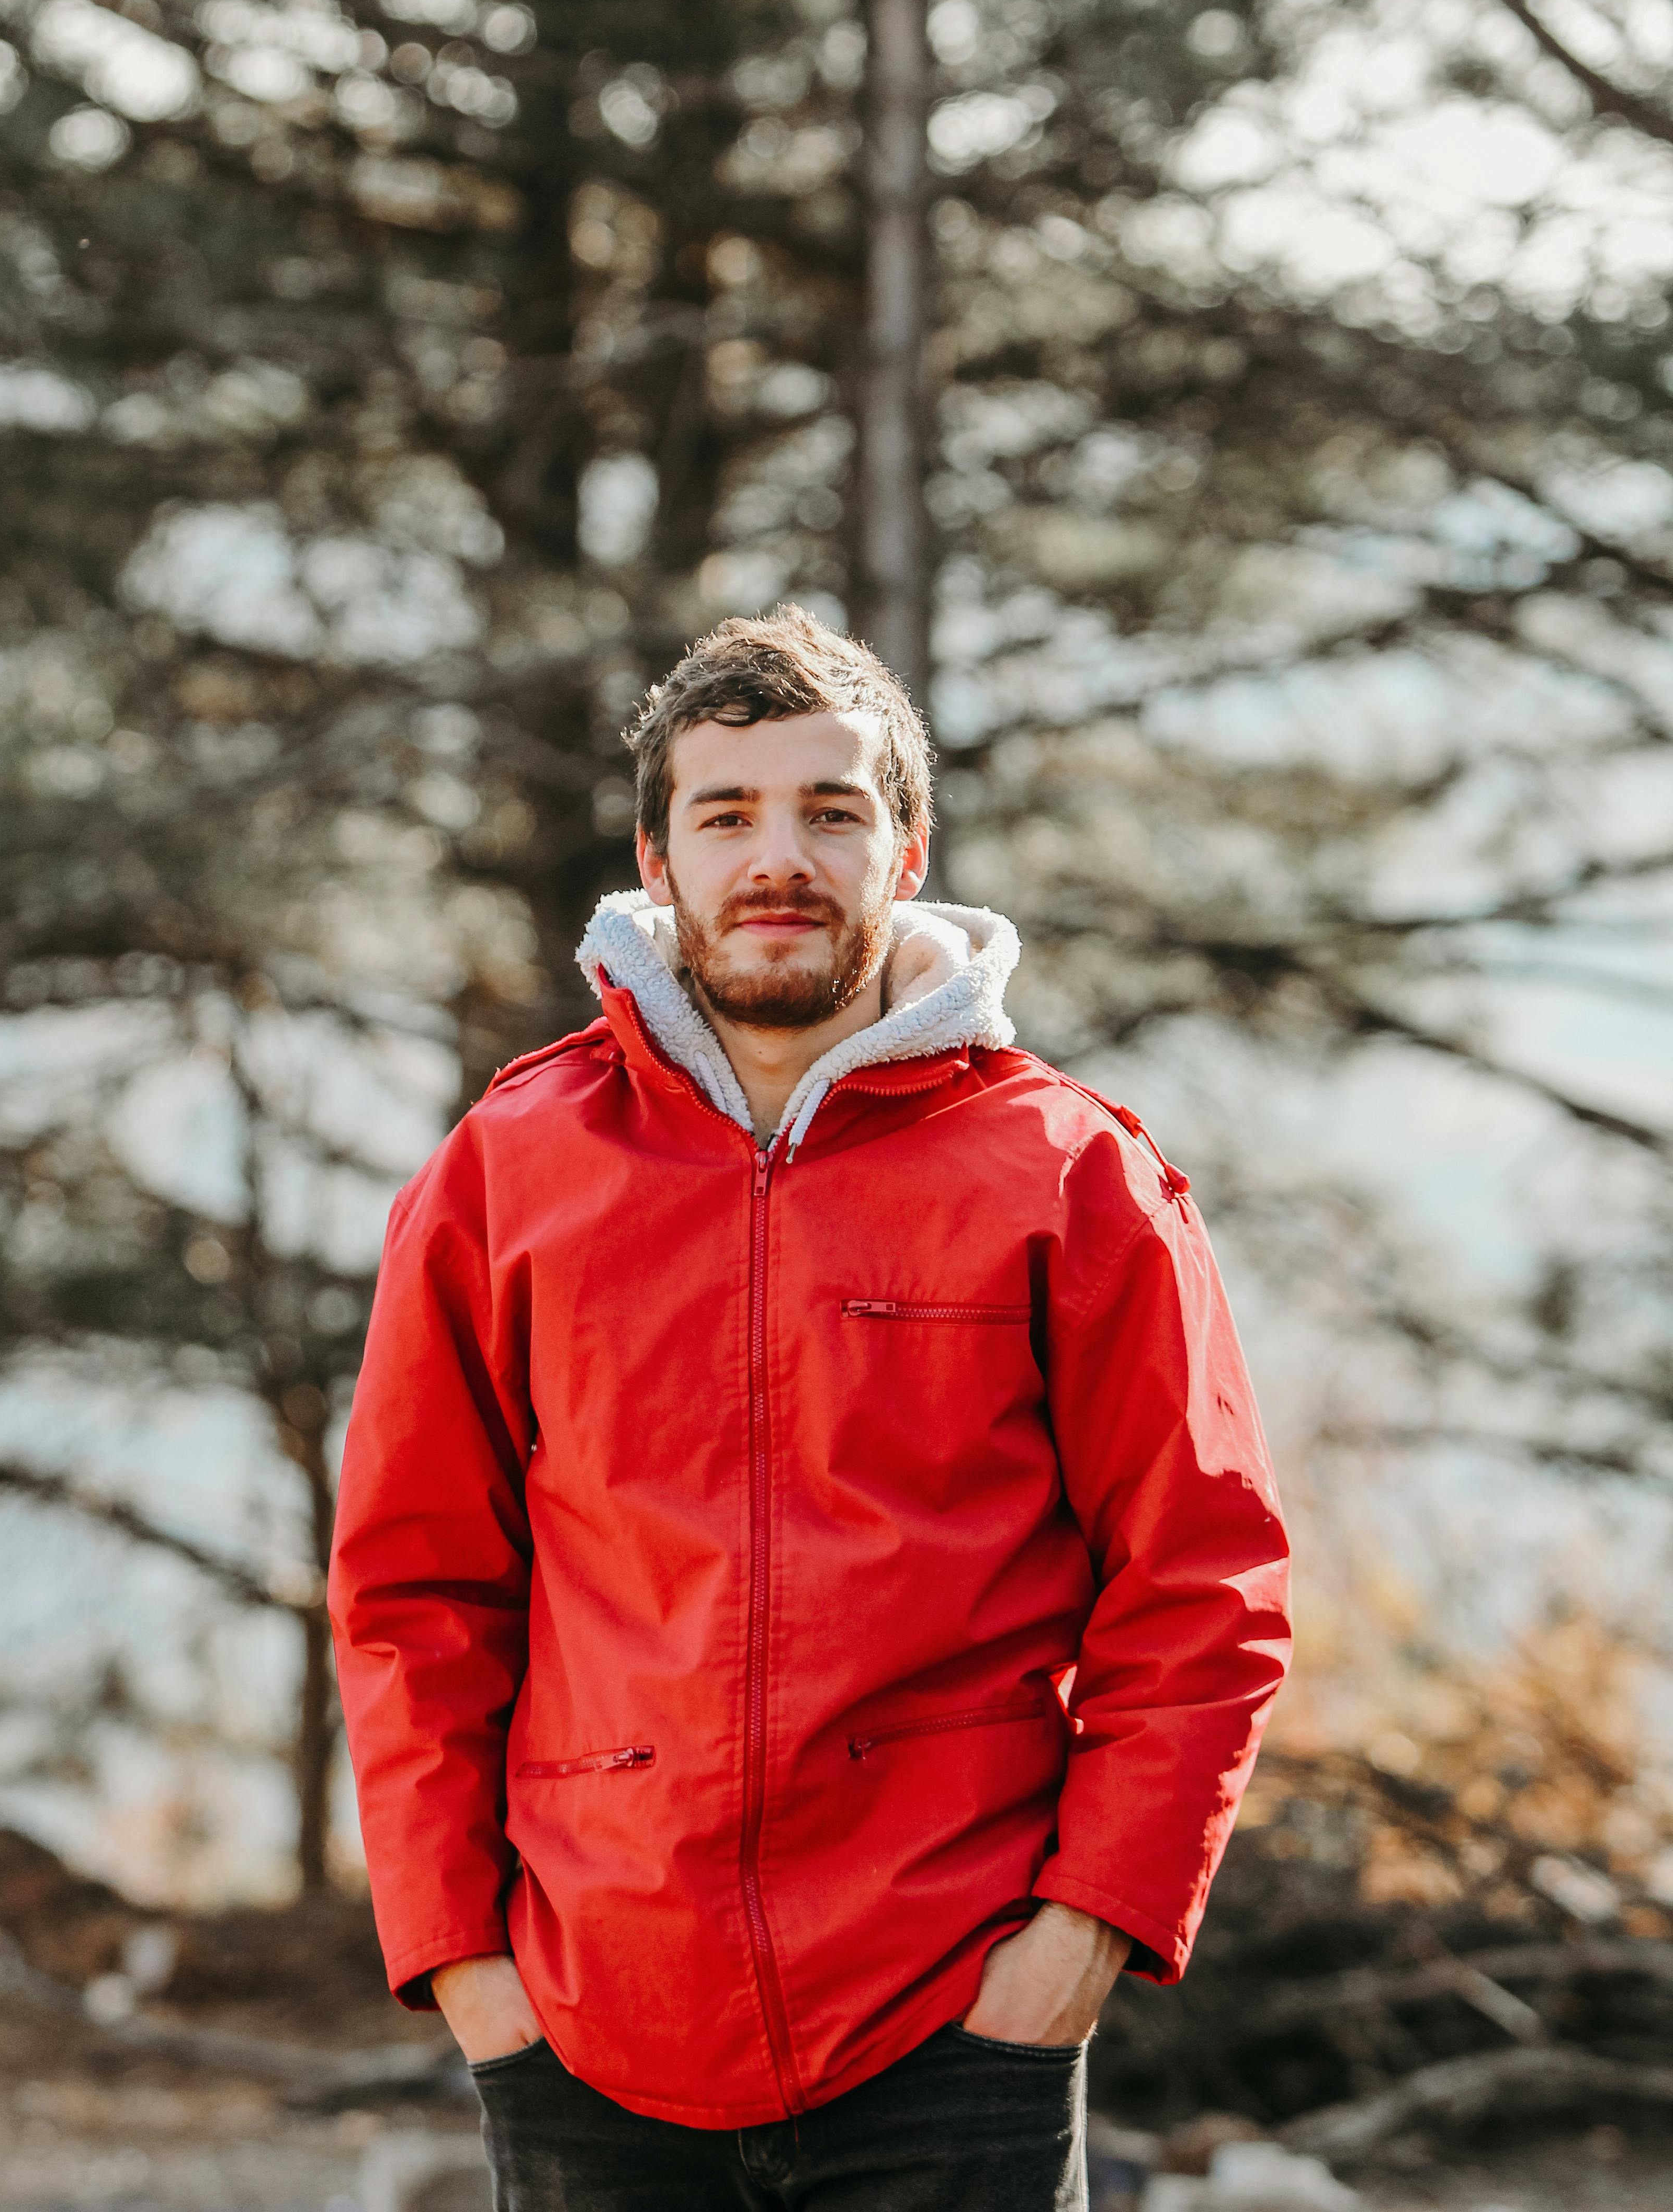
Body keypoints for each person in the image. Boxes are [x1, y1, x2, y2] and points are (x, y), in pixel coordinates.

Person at [330, 607, 1291, 2211]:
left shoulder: (1071, 1176)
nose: (779, 859)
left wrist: (1077, 1947)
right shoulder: (507, 1172)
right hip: (588, 2034)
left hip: (955, 2034)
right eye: (728, 816)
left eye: (830, 813)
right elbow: (412, 1589)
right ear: (658, 860)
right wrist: (467, 1969)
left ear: (904, 854)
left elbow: (1204, 1583)